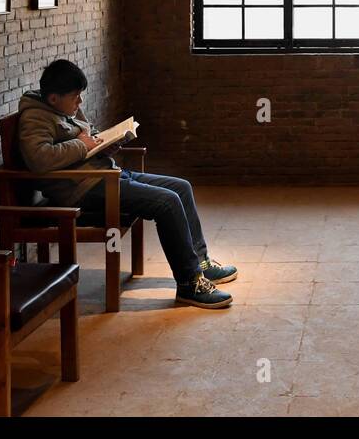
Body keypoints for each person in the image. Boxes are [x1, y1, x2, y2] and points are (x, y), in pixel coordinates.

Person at [16, 59, 236, 309]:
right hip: (84, 189)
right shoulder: (35, 117)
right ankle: (189, 284)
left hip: (106, 175)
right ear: (54, 98)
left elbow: (89, 137)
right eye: (75, 97)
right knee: (167, 203)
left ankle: (201, 263)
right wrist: (82, 145)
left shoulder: (65, 110)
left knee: (181, 187)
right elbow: (39, 158)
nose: (79, 103)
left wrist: (108, 143)